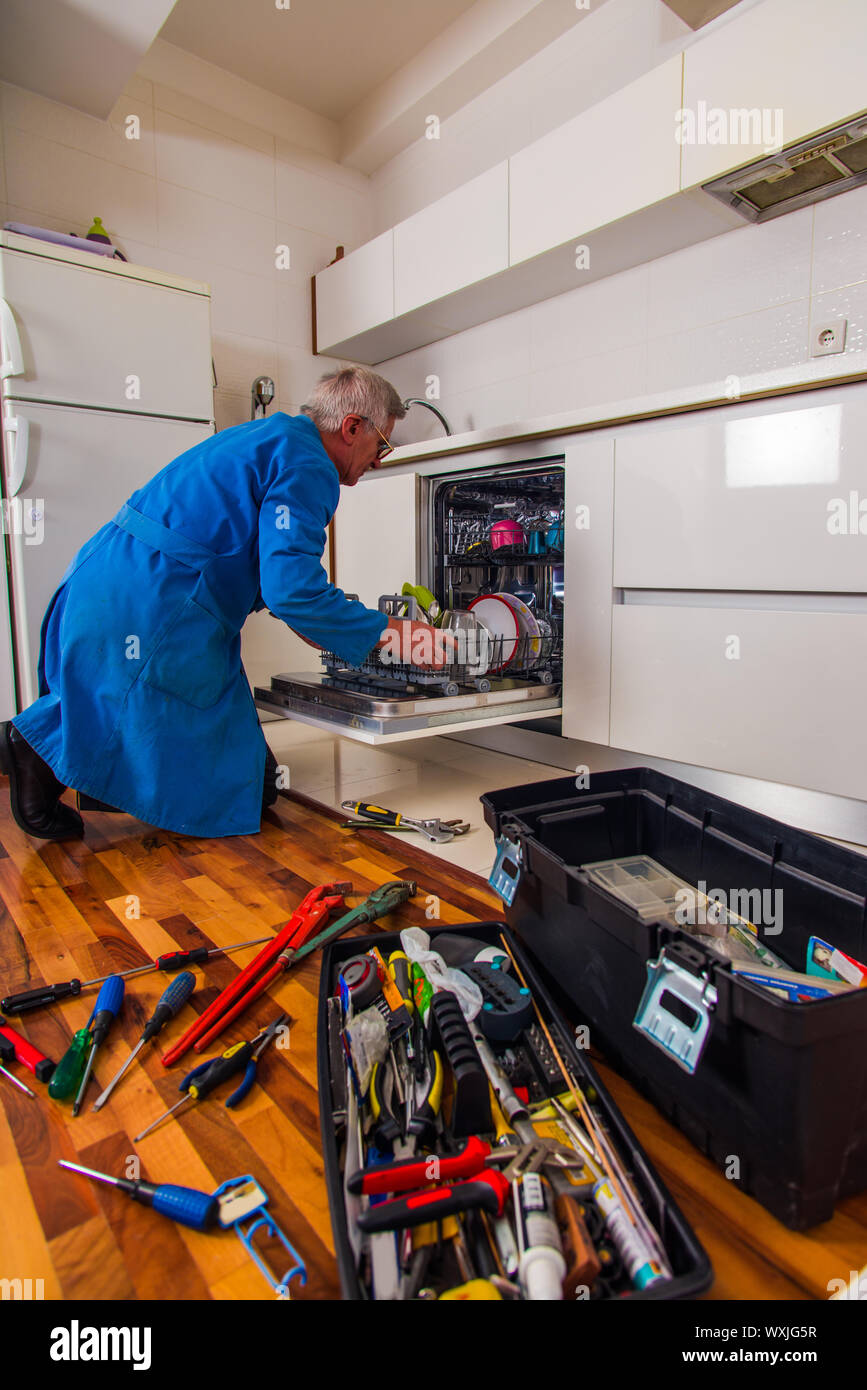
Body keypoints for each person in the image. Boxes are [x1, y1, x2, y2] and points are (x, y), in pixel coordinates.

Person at [0, 366, 451, 842]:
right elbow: (293, 592)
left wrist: (329, 624)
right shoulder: (310, 465)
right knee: (135, 717)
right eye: (382, 443)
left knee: (217, 762)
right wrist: (396, 633)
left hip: (116, 578)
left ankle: (40, 756)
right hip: (157, 602)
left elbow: (281, 586)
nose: (379, 460)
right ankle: (28, 749)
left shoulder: (278, 438)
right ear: (352, 426)